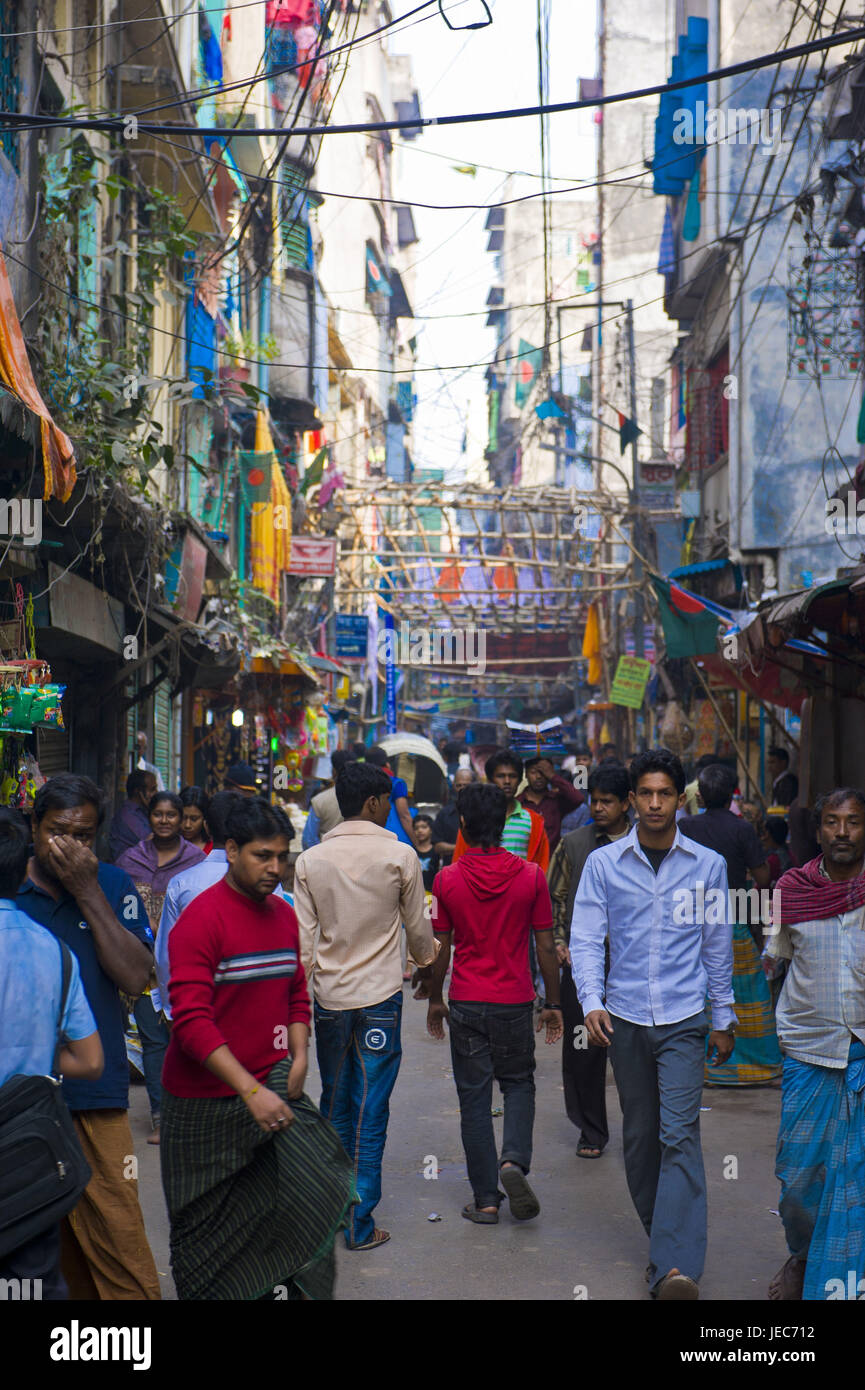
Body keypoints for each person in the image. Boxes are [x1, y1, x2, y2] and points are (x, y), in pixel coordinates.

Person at [160, 798, 354, 1300]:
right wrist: (249, 1090)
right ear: (230, 851)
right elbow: (191, 1022)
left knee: (316, 1196)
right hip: (203, 1107)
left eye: (281, 857)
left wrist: (301, 1050)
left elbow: (295, 989)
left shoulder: (283, 915)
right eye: (261, 856)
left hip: (271, 1089)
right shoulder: (201, 922)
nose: (275, 868)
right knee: (206, 1243)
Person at [570, 749, 736, 1301]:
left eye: (666, 793)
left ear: (681, 798)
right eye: (646, 793)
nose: (656, 803)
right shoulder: (604, 864)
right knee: (640, 1139)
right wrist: (590, 1000)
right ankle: (663, 1245)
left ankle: (674, 1266)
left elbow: (717, 946)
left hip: (686, 1019)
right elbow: (588, 938)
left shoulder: (708, 865)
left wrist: (724, 1015)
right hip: (625, 1019)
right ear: (634, 799)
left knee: (680, 1135)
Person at [16, 774, 160, 1300]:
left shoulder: (113, 885)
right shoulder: (11, 886)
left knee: (117, 1233)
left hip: (95, 1091)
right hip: (20, 1092)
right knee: (40, 1237)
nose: (70, 847)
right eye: (57, 832)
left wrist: (87, 891)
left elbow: (135, 976)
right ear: (34, 827)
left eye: (83, 836)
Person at [293, 760, 438, 1251]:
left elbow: (303, 946)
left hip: (330, 1000)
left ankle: (332, 1212)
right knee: (369, 1112)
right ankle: (359, 1223)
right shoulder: (400, 855)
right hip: (379, 999)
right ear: (375, 803)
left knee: (335, 1102)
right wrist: (426, 960)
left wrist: (300, 1004)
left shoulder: (311, 859)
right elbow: (419, 930)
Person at [425, 782, 562, 1223]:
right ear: (504, 825)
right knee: (519, 1083)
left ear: (462, 824)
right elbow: (545, 946)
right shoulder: (530, 877)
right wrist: (553, 1002)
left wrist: (434, 998)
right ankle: (513, 1162)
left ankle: (485, 1200)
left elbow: (439, 947)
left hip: (466, 1001)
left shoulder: (446, 879)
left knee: (474, 1100)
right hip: (515, 1002)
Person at [0, 807, 104, 1301]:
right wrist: (36, 1050)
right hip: (28, 1150)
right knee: (28, 1285)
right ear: (23, 868)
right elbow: (90, 1062)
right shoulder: (53, 950)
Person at [766, 787, 865, 1303]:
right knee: (799, 1180)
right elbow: (775, 962)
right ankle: (804, 1255)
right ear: (818, 828)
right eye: (832, 822)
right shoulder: (793, 889)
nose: (842, 833)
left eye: (852, 822)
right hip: (810, 1052)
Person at [547, 763, 632, 1159]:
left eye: (607, 801)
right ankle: (591, 1130)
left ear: (625, 803)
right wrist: (560, 943)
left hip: (633, 963)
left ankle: (642, 1130)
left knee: (636, 1051)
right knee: (583, 1050)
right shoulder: (575, 843)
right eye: (594, 800)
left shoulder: (646, 842)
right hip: (584, 961)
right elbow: (555, 898)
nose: (598, 808)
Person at [679, 762, 781, 1086]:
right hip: (734, 914)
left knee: (697, 992)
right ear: (732, 794)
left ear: (701, 794)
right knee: (746, 992)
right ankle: (752, 1067)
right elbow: (763, 876)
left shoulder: (686, 826)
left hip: (689, 917)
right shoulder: (742, 828)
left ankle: (698, 1065)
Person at [116, 792, 206, 1143]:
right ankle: (161, 1116)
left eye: (172, 815)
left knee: (187, 1038)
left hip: (185, 965)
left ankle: (194, 1112)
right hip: (143, 967)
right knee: (153, 1041)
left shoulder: (196, 861)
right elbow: (118, 907)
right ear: (150, 818)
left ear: (182, 819)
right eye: (158, 814)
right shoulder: (130, 859)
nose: (165, 820)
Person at [452, 751, 549, 871]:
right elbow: (459, 860)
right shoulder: (474, 817)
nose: (507, 781)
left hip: (521, 887)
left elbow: (542, 866)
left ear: (519, 780)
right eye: (501, 776)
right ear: (490, 780)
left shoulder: (533, 821)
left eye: (512, 776)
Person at [517, 755, 585, 852]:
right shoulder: (518, 803)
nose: (538, 777)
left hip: (552, 861)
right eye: (533, 772)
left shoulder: (556, 801)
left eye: (543, 773)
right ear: (526, 774)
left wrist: (553, 777)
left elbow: (578, 798)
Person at [301, 749, 356, 850]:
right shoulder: (367, 797)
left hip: (326, 858)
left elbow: (308, 840)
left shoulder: (320, 800)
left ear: (333, 771)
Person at [366, 744, 414, 844]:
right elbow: (404, 815)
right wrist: (416, 842)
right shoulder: (397, 783)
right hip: (395, 836)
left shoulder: (363, 782)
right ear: (387, 764)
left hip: (370, 835)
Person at [108, 769, 156, 861]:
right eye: (152, 789)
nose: (156, 793)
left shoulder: (143, 811)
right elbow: (153, 842)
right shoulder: (128, 815)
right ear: (139, 792)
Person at [432, 766, 475, 865]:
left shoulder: (483, 811)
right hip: (452, 870)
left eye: (466, 785)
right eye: (458, 785)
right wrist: (460, 848)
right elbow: (437, 846)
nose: (462, 789)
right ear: (454, 786)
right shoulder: (444, 814)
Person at [761, 815, 794, 888]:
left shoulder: (772, 860)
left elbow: (761, 888)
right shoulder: (791, 854)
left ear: (768, 834)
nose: (762, 838)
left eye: (763, 833)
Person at [179, 786, 211, 853]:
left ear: (204, 819)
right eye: (183, 818)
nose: (187, 825)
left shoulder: (212, 849)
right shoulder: (167, 846)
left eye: (194, 819)